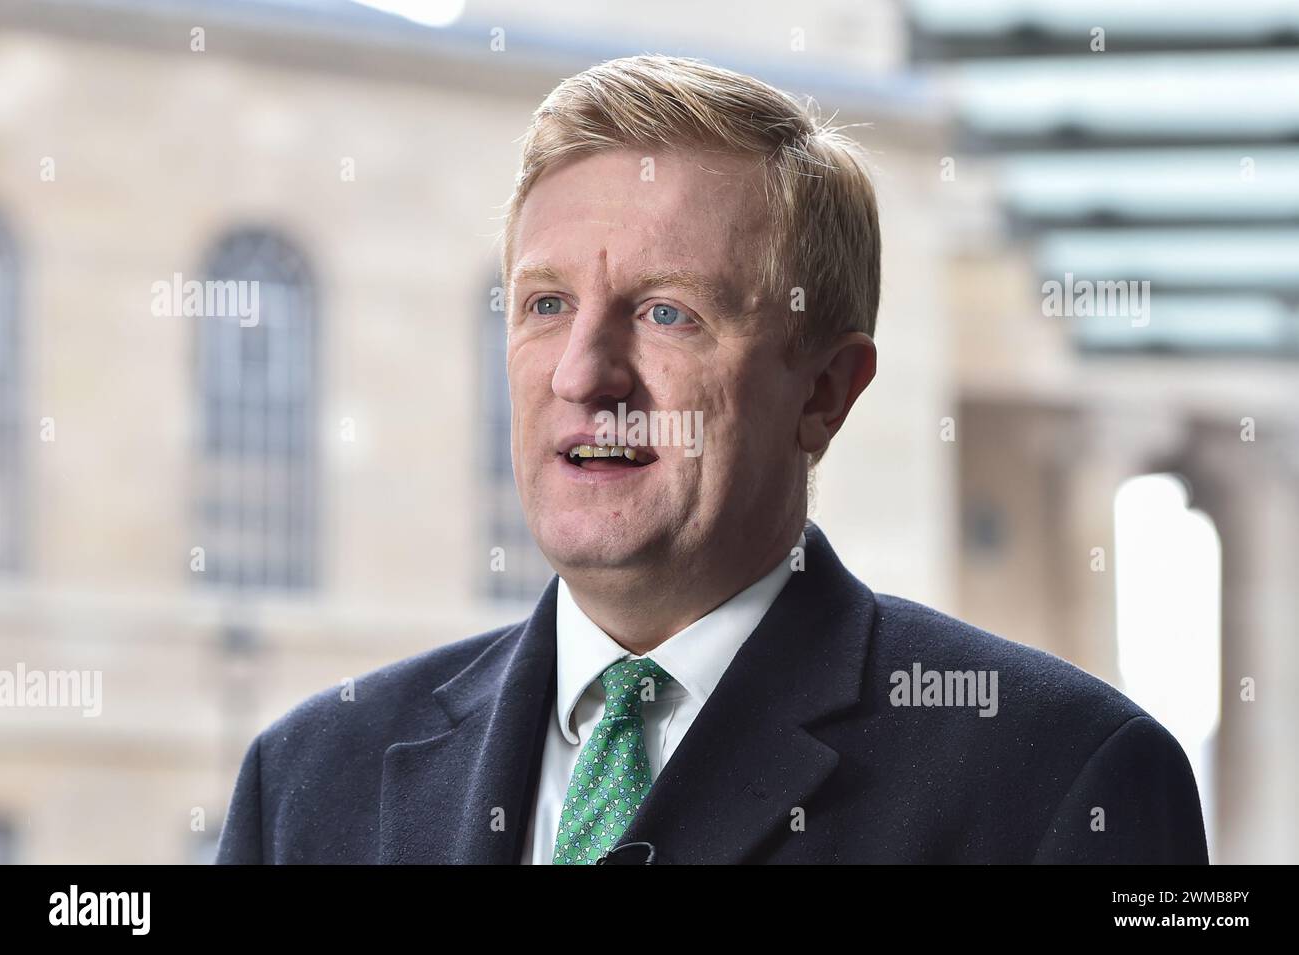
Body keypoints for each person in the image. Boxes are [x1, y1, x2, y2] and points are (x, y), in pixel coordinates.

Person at [215, 54, 1208, 864]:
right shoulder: (308, 782)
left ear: (822, 391)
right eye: (544, 306)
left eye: (665, 314)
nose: (582, 374)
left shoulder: (1061, 781)